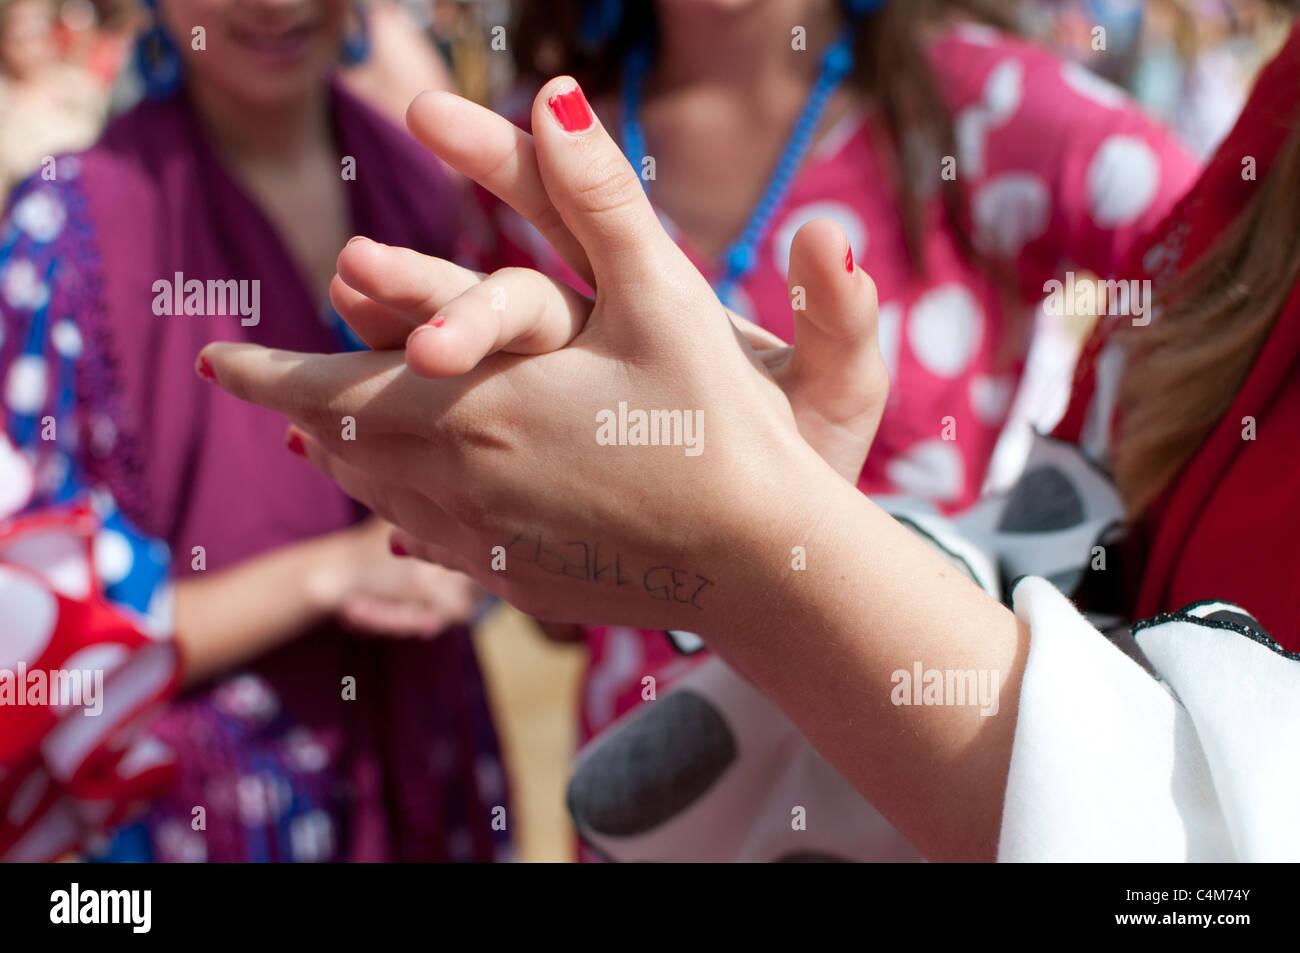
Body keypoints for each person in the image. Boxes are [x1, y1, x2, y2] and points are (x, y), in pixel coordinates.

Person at [201, 44, 1300, 860]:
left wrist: (769, 531)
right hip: (653, 783)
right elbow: (553, 583)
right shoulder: (536, 127)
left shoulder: (992, 108)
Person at [494, 0, 1203, 743]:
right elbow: (550, 603)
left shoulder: (988, 107)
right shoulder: (528, 148)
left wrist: (1074, 547)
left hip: (928, 778)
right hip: (639, 786)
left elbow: (1233, 293)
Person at [0, 0, 506, 862]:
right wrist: (329, 574)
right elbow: (34, 634)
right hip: (202, 822)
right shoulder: (70, 232)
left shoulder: (416, 184)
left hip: (427, 776)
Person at [0, 0, 106, 201]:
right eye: (20, 38)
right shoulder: (4, 102)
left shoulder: (83, 89)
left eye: (37, 34)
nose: (32, 47)